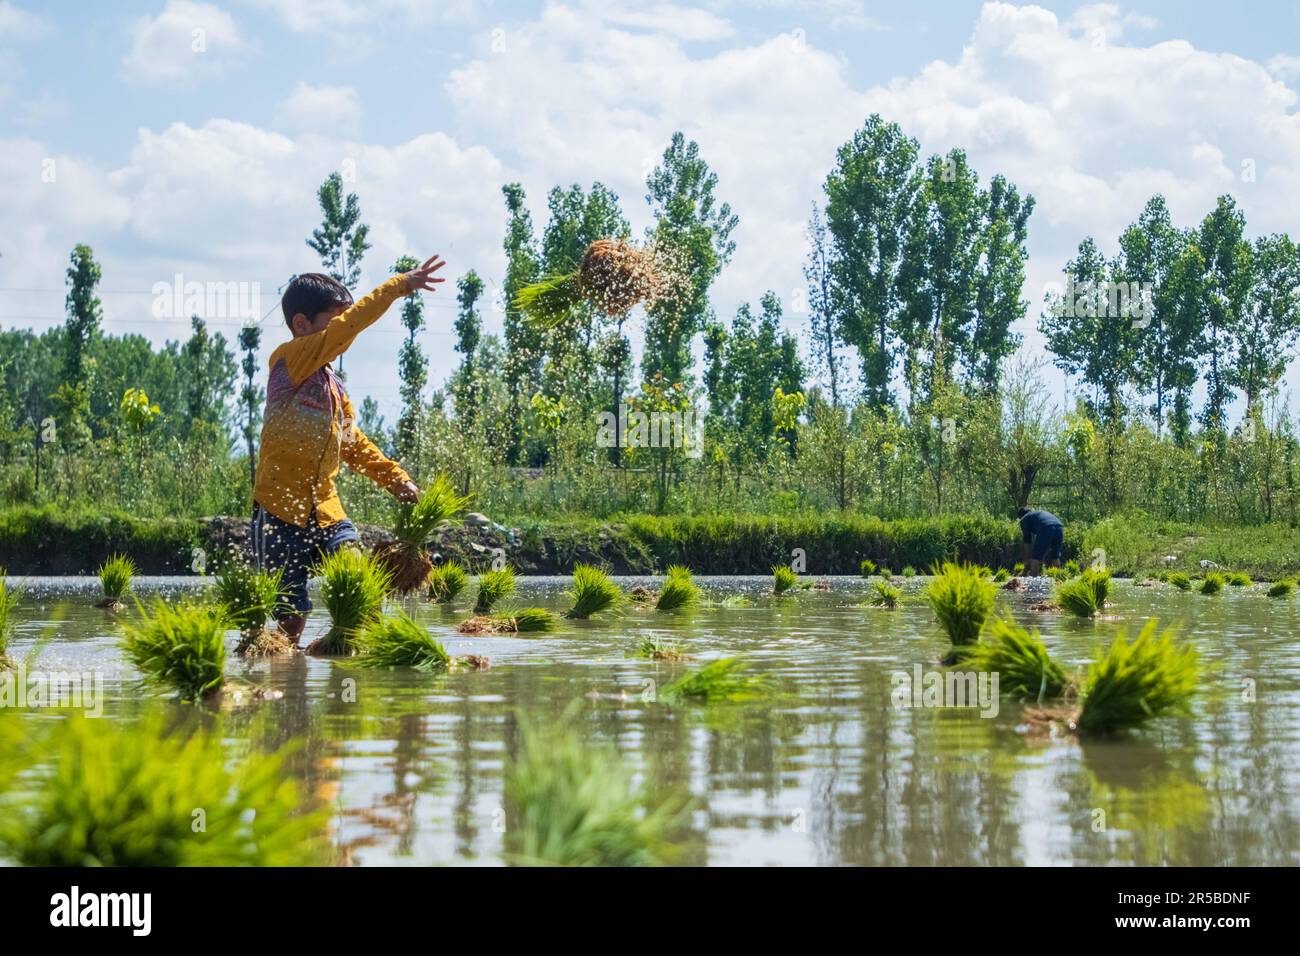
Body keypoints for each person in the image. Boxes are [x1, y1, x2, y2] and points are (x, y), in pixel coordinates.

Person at [252, 257, 446, 646]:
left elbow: (353, 445)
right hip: (278, 511)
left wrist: (397, 479)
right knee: (292, 619)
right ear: (301, 324)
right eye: (334, 321)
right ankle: (286, 675)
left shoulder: (335, 389)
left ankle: (365, 661)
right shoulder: (288, 361)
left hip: (325, 509)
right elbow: (351, 326)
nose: (343, 335)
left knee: (359, 582)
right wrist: (398, 285)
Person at [1018, 506, 1064, 576]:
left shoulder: (1024, 518)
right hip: (1059, 527)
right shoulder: (1036, 514)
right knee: (1055, 556)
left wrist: (1028, 559)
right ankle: (1059, 578)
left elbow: (1027, 541)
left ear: (1020, 516)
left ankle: (1033, 577)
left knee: (1035, 556)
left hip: (1046, 527)